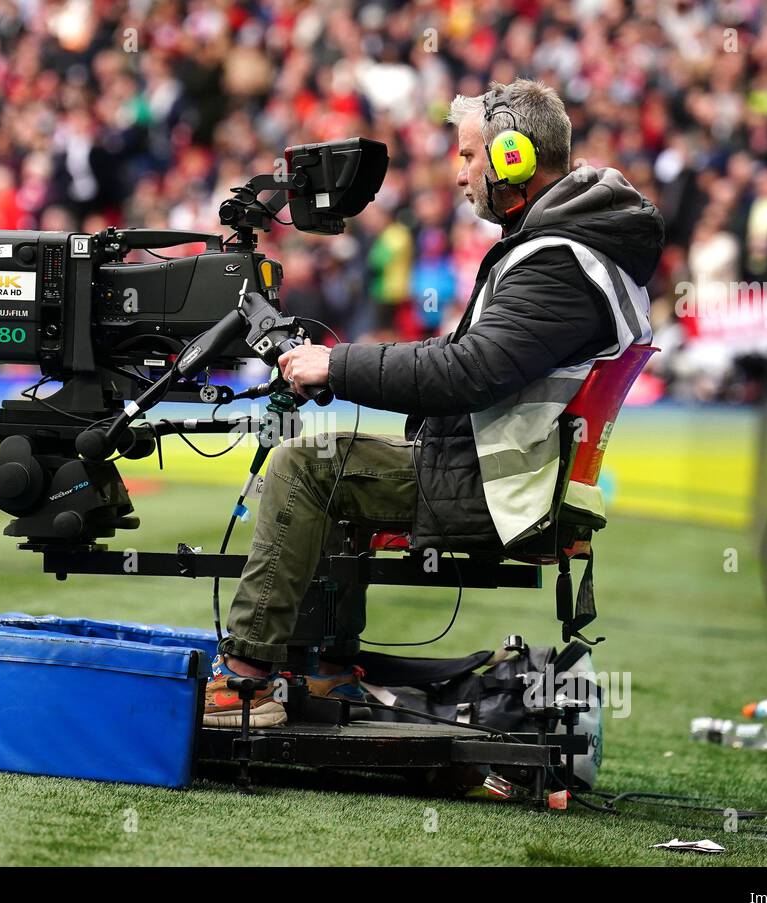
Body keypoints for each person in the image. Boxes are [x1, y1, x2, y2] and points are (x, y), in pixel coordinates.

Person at [203, 79, 664, 727]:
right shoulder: (576, 244)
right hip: (508, 474)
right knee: (339, 468)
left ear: (515, 159)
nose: (459, 175)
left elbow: (469, 373)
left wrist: (336, 365)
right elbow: (468, 371)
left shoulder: (559, 261)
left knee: (306, 467)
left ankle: (242, 685)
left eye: (469, 156)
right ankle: (325, 670)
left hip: (500, 489)